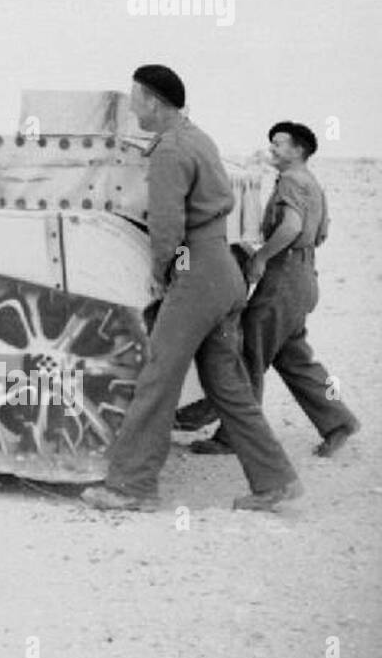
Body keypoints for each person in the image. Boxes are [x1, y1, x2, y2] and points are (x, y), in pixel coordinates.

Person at [81, 66, 302, 511]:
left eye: (136, 98)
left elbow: (167, 226)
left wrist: (162, 272)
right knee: (227, 384)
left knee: (158, 378)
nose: (132, 106)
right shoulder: (198, 137)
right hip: (224, 271)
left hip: (197, 274)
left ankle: (131, 486)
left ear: (153, 102)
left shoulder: (168, 151)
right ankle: (275, 479)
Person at [191, 121, 359, 459]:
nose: (272, 148)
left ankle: (233, 436)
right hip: (304, 276)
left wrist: (263, 258)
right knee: (293, 356)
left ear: (298, 150)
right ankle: (338, 421)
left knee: (249, 353)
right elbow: (320, 232)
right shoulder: (312, 182)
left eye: (279, 143)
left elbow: (292, 226)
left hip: (283, 279)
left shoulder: (291, 182)